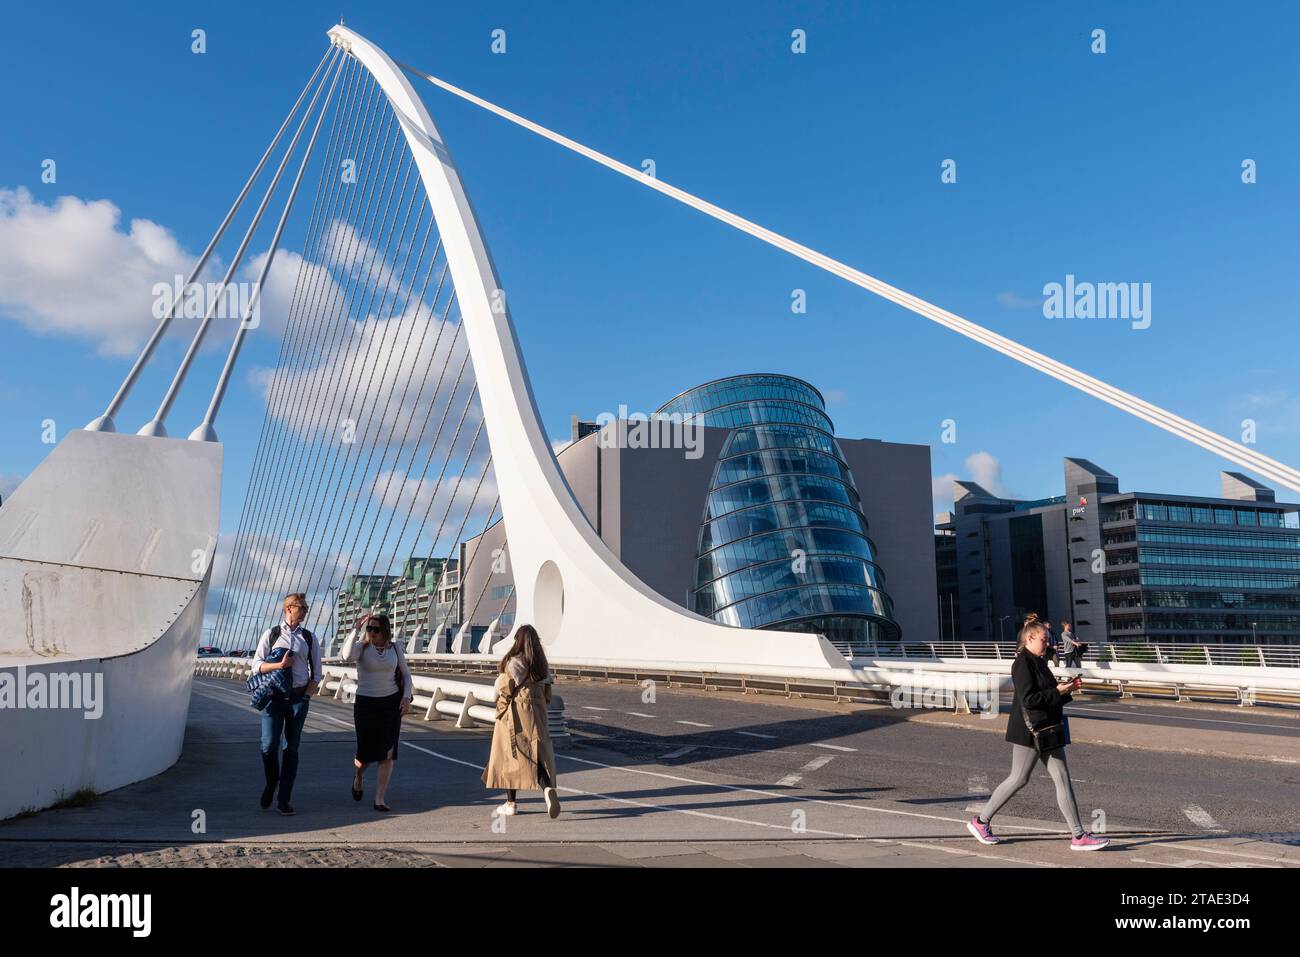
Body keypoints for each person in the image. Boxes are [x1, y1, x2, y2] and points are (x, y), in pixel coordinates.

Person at [967, 612, 1109, 851]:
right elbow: (1030, 700)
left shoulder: (1040, 661)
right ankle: (981, 821)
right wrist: (1058, 692)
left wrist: (1067, 690)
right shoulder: (1022, 663)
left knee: (1062, 778)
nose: (1048, 643)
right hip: (1030, 731)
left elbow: (1050, 694)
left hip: (1049, 729)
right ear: (1030, 638)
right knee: (1018, 779)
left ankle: (1078, 835)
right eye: (1044, 639)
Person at [250, 593, 323, 816]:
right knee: (268, 745)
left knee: (291, 749)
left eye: (306, 608)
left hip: (298, 699)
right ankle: (272, 781)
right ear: (289, 608)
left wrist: (308, 694)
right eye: (302, 607)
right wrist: (279, 666)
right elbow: (256, 666)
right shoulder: (272, 634)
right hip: (273, 698)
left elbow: (317, 672)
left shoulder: (309, 638)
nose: (306, 611)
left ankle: (284, 799)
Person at [482, 624, 560, 818]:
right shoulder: (541, 666)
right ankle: (547, 788)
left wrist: (500, 711)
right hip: (537, 715)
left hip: (516, 714)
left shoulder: (513, 663)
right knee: (536, 755)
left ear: (518, 642)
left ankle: (511, 803)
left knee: (511, 757)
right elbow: (548, 694)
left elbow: (505, 691)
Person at [340, 613, 413, 811]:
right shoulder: (362, 648)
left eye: (376, 629)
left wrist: (406, 697)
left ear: (385, 630)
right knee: (365, 755)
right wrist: (355, 629)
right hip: (366, 705)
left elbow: (406, 675)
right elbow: (345, 655)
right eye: (369, 629)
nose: (371, 632)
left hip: (391, 704)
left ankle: (379, 799)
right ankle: (359, 776)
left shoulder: (395, 648)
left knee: (387, 753)